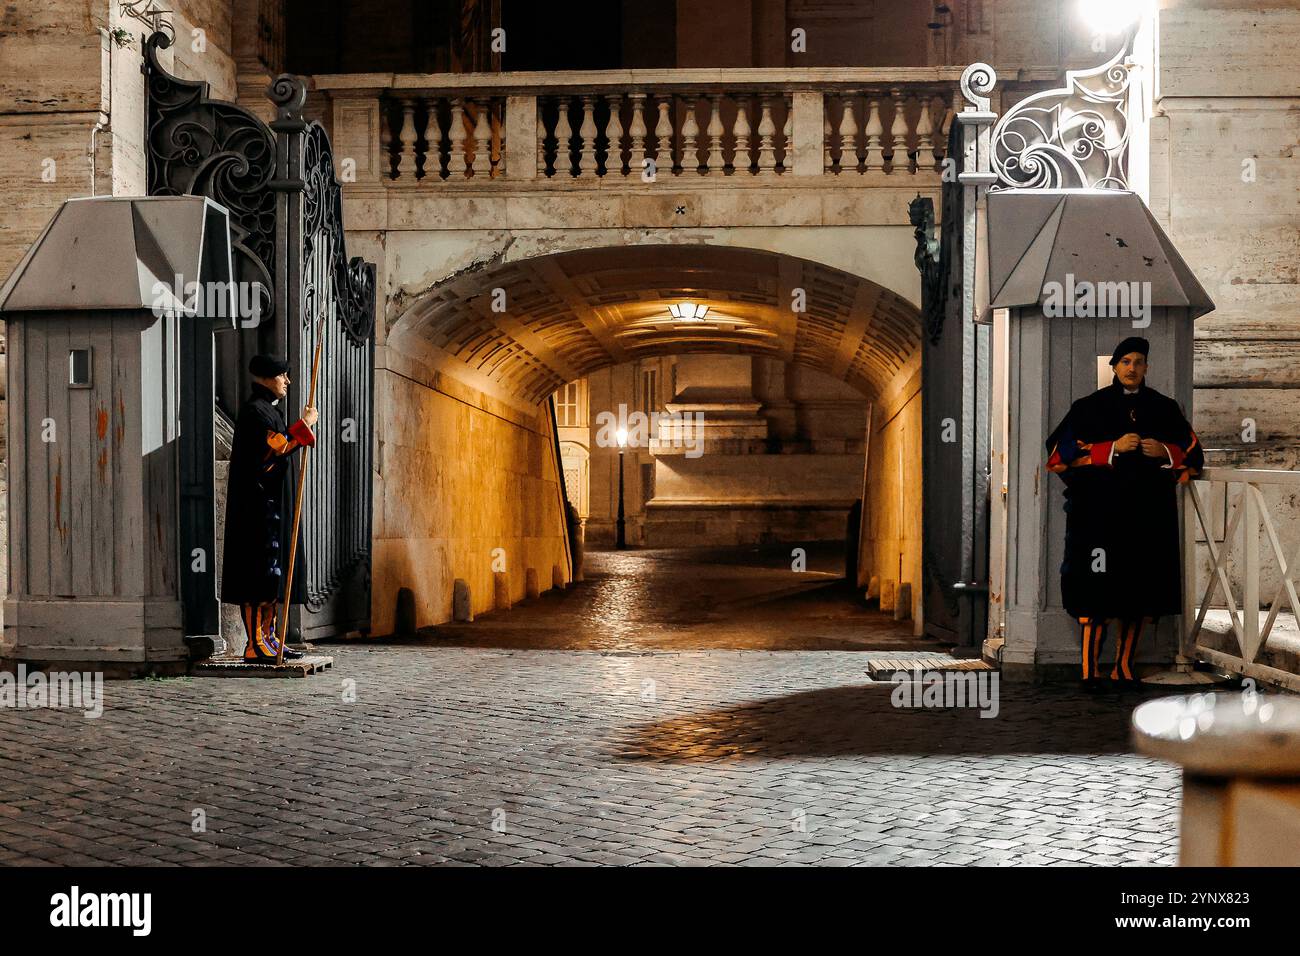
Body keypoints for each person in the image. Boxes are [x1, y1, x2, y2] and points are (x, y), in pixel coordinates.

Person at [1044, 337, 1203, 685]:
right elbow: (1058, 453)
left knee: (1138, 590)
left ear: (1146, 367)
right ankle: (1090, 668)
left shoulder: (1164, 407)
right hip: (1096, 515)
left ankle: (1124, 666)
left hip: (1146, 515)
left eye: (1139, 362)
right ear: (1114, 366)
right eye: (1126, 361)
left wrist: (1165, 451)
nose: (1132, 368)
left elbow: (1193, 453)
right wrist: (1110, 448)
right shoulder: (1088, 407)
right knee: (1094, 590)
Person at [221, 354, 318, 661]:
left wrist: (300, 428)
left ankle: (269, 637)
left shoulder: (268, 410)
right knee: (256, 575)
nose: (287, 381)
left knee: (272, 576)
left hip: (271, 507)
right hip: (256, 509)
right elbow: (275, 448)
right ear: (266, 378)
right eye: (282, 375)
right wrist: (303, 427)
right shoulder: (254, 412)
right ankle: (254, 644)